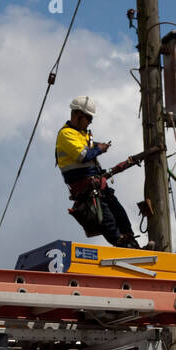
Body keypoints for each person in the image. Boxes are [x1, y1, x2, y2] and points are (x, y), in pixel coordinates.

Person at [55, 95, 141, 248]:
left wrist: (96, 145)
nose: (90, 122)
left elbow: (88, 148)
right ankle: (124, 247)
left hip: (97, 186)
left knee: (120, 215)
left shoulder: (82, 134)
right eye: (88, 118)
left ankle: (134, 245)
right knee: (107, 222)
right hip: (86, 189)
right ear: (78, 115)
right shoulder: (66, 134)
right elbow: (83, 156)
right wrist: (99, 149)